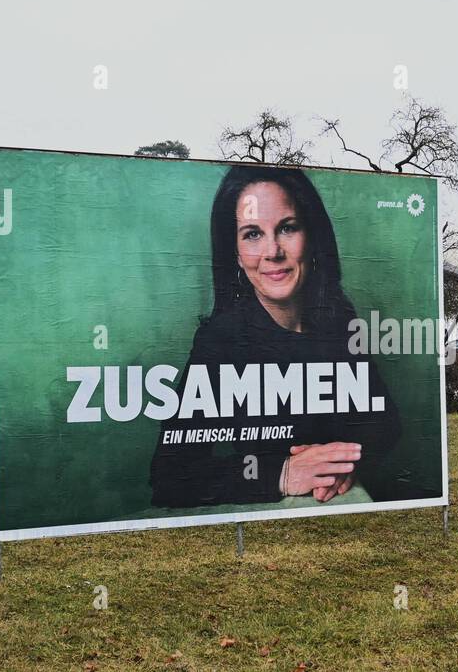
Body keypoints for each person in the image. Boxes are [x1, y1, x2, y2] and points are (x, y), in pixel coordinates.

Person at [149, 166, 399, 508]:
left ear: (312, 237)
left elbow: (384, 426)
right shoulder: (220, 341)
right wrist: (281, 472)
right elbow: (170, 476)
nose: (273, 251)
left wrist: (337, 465)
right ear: (235, 252)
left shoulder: (339, 321)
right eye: (252, 234)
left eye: (287, 228)